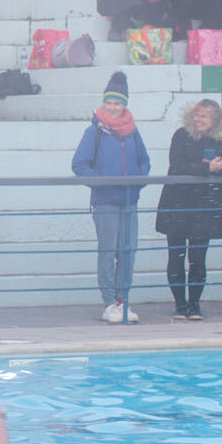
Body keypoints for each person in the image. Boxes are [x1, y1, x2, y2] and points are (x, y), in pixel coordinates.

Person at [69, 77, 149, 325]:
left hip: (129, 201)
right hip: (105, 201)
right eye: (109, 103)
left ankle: (122, 300)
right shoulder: (94, 131)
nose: (113, 107)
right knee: (107, 252)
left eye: (117, 103)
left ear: (125, 105)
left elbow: (144, 161)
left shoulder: (133, 131)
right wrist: (102, 182)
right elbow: (79, 164)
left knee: (128, 252)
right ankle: (108, 303)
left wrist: (138, 181)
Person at [156, 96, 222, 321]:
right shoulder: (182, 135)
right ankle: (180, 304)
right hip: (177, 202)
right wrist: (206, 169)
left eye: (203, 116)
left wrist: (220, 168)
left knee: (198, 258)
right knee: (176, 256)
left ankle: (194, 305)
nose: (198, 119)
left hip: (206, 204)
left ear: (215, 119)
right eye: (197, 115)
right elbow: (177, 165)